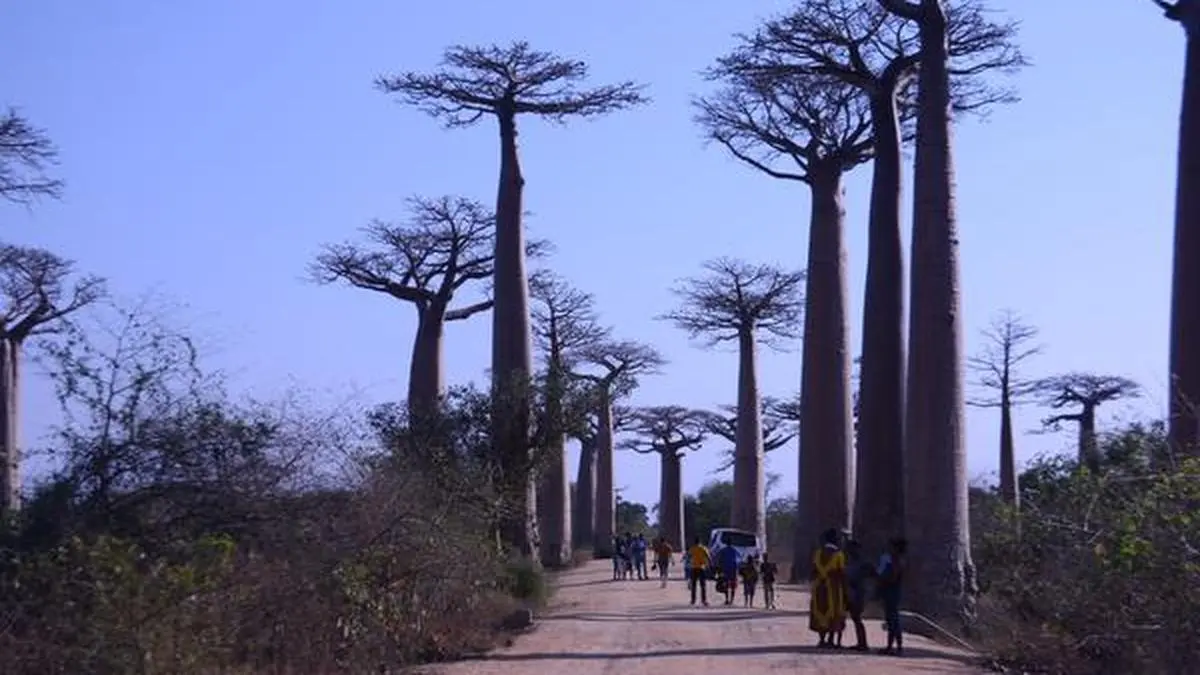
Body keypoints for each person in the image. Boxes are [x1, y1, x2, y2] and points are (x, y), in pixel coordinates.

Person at [809, 528, 847, 648]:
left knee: (820, 609)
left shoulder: (818, 553)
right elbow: (841, 573)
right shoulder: (839, 555)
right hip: (833, 588)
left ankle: (821, 640)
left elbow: (813, 571)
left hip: (819, 587)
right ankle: (831, 640)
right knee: (833, 610)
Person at [877, 537, 908, 656]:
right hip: (889, 592)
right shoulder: (893, 560)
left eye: (891, 547)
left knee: (894, 620)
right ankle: (890, 646)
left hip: (893, 592)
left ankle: (899, 647)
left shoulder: (898, 561)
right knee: (890, 620)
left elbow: (893, 577)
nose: (889, 549)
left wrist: (883, 578)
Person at [844, 539, 874, 651]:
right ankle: (860, 642)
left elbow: (872, 573)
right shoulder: (850, 561)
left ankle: (863, 643)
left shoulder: (862, 562)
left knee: (857, 618)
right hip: (851, 592)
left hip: (858, 593)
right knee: (854, 618)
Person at [686, 536, 711, 606]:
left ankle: (693, 600)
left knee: (694, 585)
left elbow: (688, 556)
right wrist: (709, 564)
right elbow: (708, 556)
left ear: (694, 542)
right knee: (703, 585)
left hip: (694, 568)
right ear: (700, 542)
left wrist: (690, 563)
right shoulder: (703, 548)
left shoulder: (692, 549)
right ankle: (704, 600)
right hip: (701, 568)